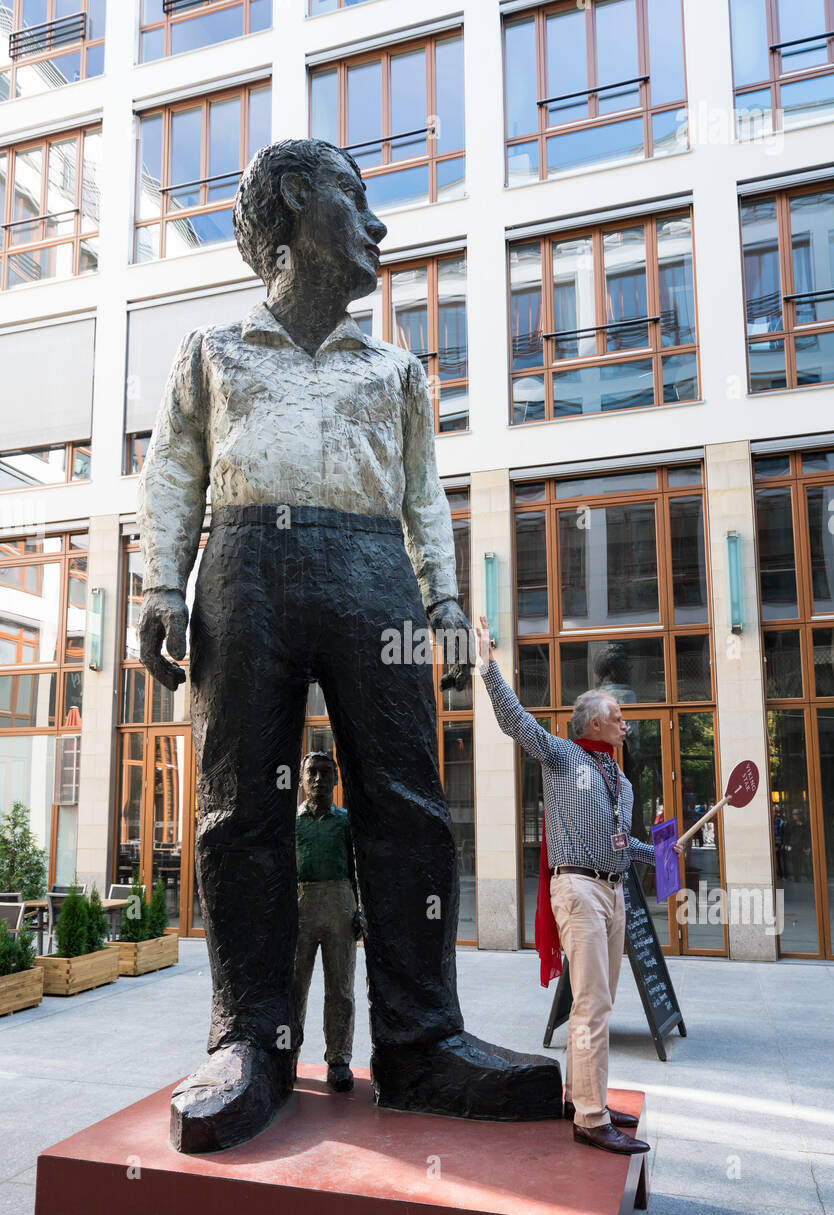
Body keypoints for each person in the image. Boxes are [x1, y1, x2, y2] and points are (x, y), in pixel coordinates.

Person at [136, 138, 561, 1152]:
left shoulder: (396, 368)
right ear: (290, 207)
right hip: (244, 569)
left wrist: (447, 604)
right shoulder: (214, 352)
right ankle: (249, 1040)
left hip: (376, 577)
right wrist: (161, 583)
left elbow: (424, 493)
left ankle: (421, 1041)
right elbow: (174, 469)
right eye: (355, 198)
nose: (378, 224)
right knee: (242, 811)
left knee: (408, 803)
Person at [476, 615, 653, 1157]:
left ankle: (584, 1098)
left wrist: (662, 854)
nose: (625, 724)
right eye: (617, 718)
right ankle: (592, 1117)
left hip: (615, 890)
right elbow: (515, 721)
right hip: (577, 890)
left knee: (599, 1002)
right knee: (592, 1004)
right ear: (592, 724)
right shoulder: (562, 756)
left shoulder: (619, 780)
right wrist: (487, 665)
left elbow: (624, 843)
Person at [293, 751, 361, 1093]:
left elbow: (357, 868)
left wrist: (359, 909)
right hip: (301, 906)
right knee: (294, 987)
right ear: (302, 780)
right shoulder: (293, 823)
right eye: (312, 773)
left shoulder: (345, 822)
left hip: (339, 904)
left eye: (325, 773)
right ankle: (286, 1056)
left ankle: (339, 1060)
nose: (319, 780)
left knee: (340, 988)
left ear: (335, 780)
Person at [782, 807, 812, 882]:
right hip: (793, 845)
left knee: (805, 863)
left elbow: (808, 835)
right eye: (794, 814)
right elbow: (786, 835)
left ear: (801, 814)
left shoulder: (806, 823)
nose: (795, 816)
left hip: (803, 846)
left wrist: (808, 846)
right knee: (795, 863)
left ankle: (809, 878)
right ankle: (797, 878)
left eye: (797, 814)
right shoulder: (790, 824)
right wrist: (786, 844)